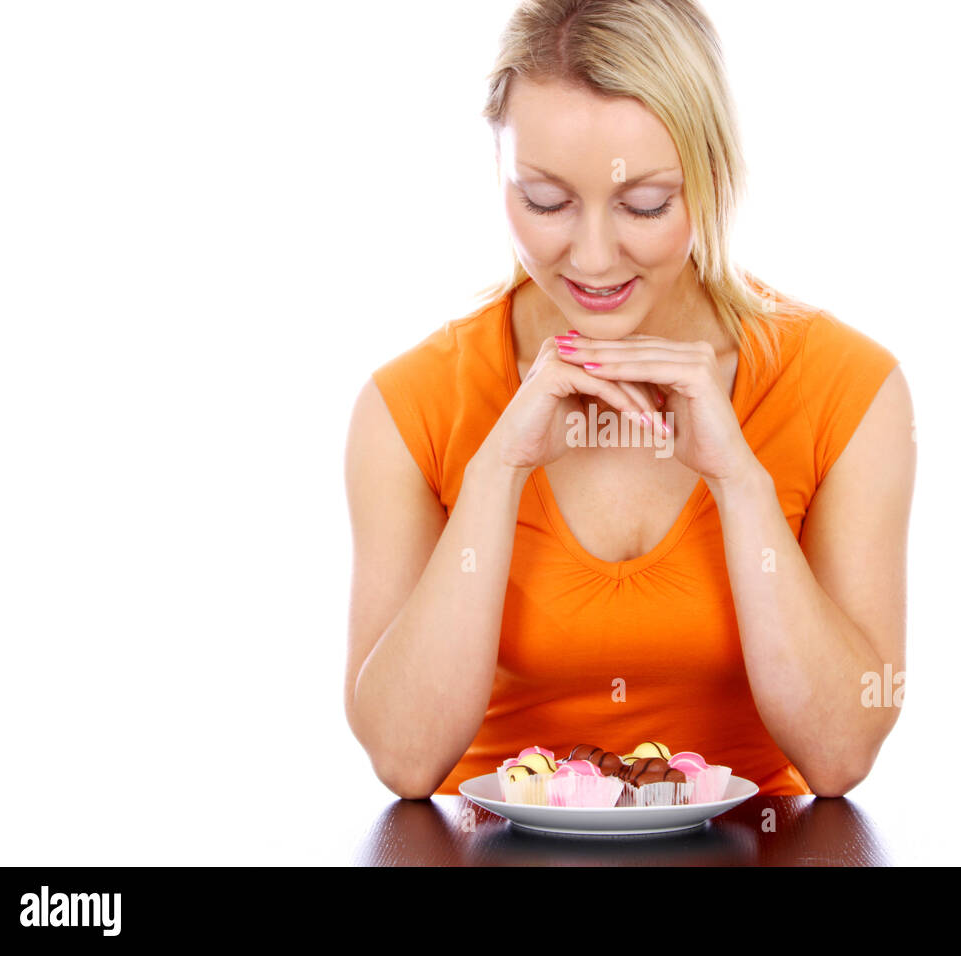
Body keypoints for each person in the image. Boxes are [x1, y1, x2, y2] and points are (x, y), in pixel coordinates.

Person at [343, 0, 916, 799]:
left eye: (644, 205)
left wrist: (740, 481)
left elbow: (840, 756)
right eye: (545, 202)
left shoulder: (847, 389)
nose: (594, 257)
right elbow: (404, 763)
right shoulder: (408, 405)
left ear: (713, 179)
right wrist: (497, 469)